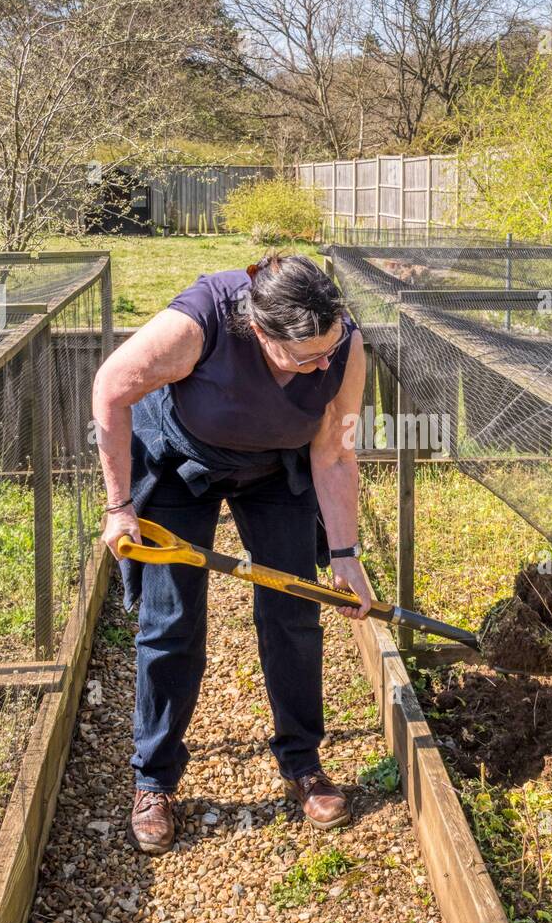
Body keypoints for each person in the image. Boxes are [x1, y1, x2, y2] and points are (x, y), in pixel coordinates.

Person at [92, 253, 373, 853]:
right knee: (170, 624)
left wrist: (345, 554)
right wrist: (119, 506)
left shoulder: (344, 349)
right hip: (178, 466)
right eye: (307, 358)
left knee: (294, 612)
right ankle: (154, 779)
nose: (323, 364)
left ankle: (303, 764)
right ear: (262, 331)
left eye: (328, 350)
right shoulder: (201, 323)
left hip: (276, 472)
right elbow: (111, 389)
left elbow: (335, 452)